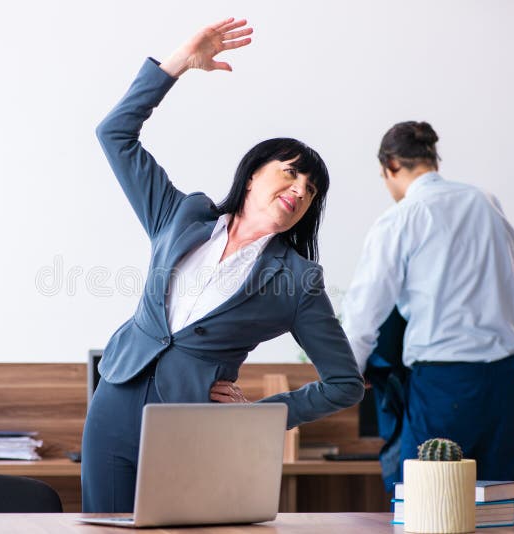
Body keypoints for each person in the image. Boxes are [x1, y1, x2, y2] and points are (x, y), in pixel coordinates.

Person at [81, 18, 364, 513]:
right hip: (113, 402)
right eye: (292, 172)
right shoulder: (182, 214)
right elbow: (115, 134)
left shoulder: (297, 280)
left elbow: (345, 384)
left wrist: (257, 415)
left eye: (311, 190)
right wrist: (177, 64)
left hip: (190, 425)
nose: (300, 191)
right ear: (254, 173)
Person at [341, 121, 514, 482]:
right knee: (499, 504)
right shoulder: (485, 202)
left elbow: (364, 310)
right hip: (507, 377)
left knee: (426, 505)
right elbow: (509, 279)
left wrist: (348, 372)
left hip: (444, 383)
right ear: (432, 160)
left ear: (391, 167)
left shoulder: (401, 218)